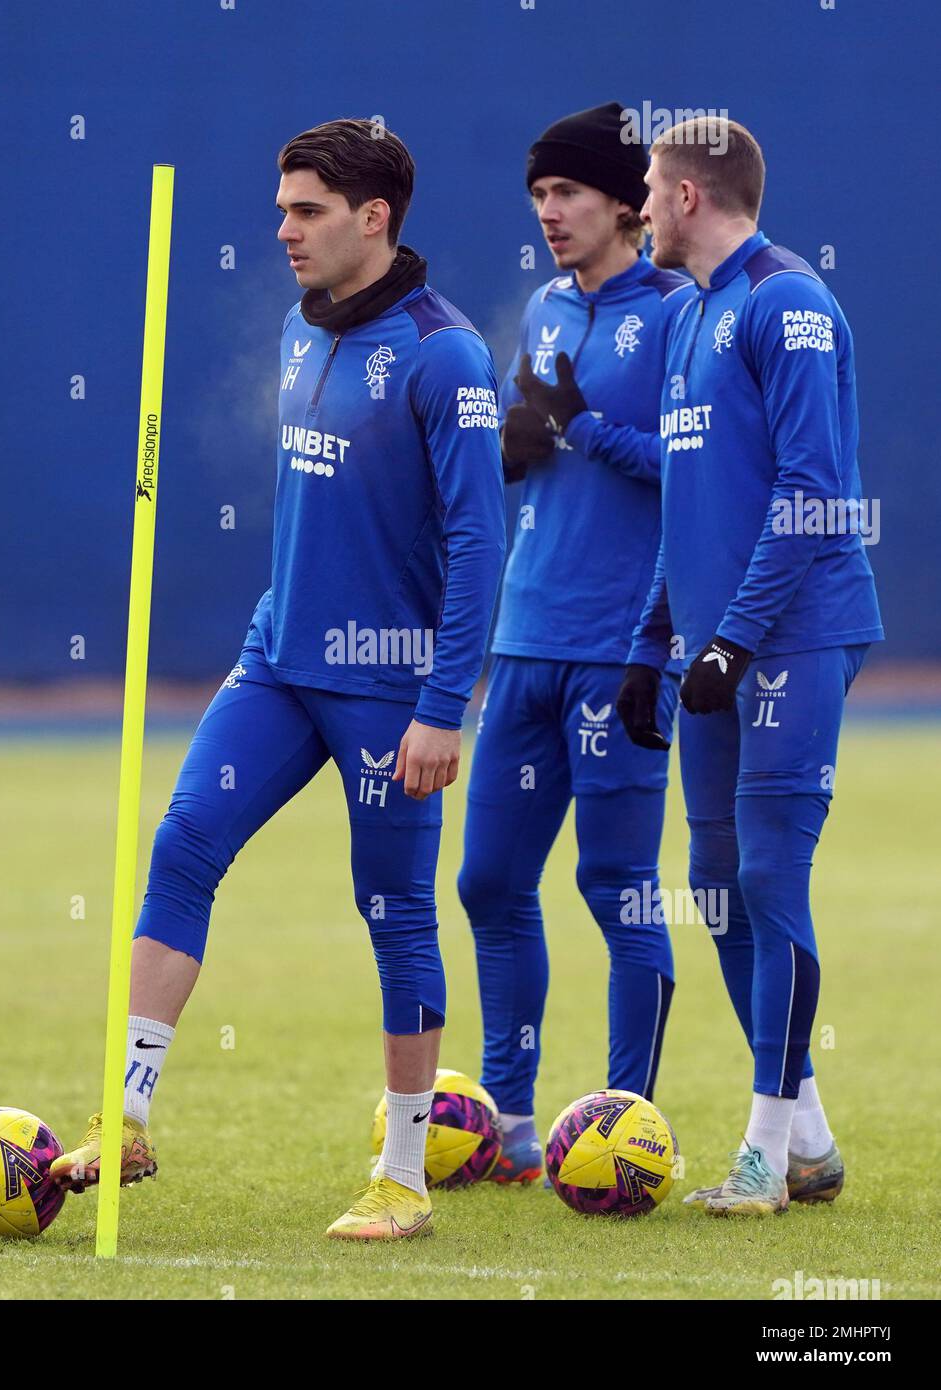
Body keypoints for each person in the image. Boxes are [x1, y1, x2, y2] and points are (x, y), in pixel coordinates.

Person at [51, 119, 506, 1240]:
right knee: (182, 847)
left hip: (390, 691)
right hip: (278, 661)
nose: (284, 230)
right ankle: (126, 1116)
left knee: (394, 911)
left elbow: (480, 547)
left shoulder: (446, 356)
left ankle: (403, 1177)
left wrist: (442, 708)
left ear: (373, 217)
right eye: (281, 208)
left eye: (306, 211)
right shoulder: (302, 328)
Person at [618, 116, 883, 1215]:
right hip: (712, 649)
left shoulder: (791, 303)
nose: (638, 207)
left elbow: (812, 491)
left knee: (771, 879)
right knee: (718, 890)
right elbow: (688, 502)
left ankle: (764, 1153)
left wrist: (733, 638)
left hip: (795, 635)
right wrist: (652, 640)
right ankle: (807, 1136)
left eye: (647, 188)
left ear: (687, 195)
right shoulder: (687, 314)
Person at [457, 103, 694, 1183]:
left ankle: (622, 1127)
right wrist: (512, 443)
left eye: (568, 193)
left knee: (617, 886)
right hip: (524, 636)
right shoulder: (545, 307)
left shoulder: (682, 312)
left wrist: (582, 426)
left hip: (621, 643)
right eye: (538, 195)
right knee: (488, 881)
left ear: (624, 204)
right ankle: (509, 1121)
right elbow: (527, 451)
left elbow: (701, 472)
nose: (548, 212)